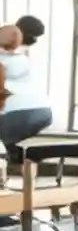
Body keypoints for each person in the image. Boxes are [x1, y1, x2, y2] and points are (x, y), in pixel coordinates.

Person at [0, 16, 53, 161]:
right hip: (43, 111)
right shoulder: (22, 56)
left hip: (16, 113)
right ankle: (18, 155)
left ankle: (15, 156)